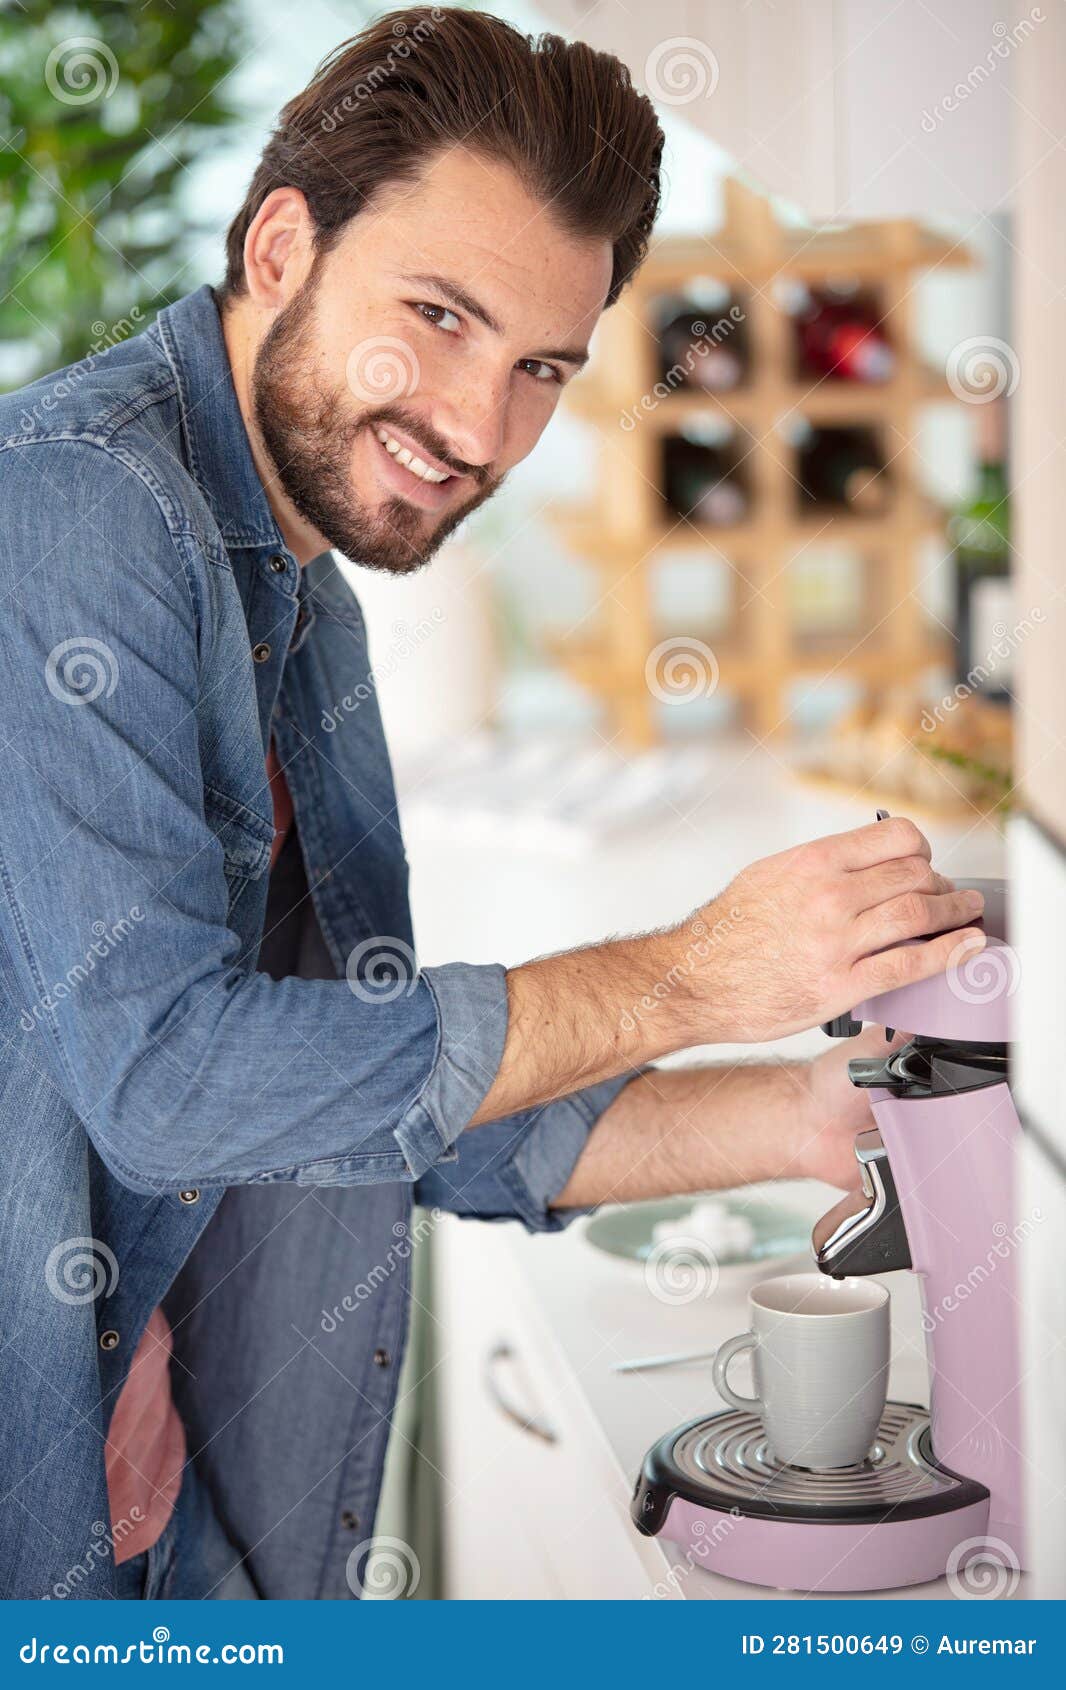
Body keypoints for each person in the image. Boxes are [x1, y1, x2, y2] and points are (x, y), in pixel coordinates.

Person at [0, 7, 985, 1601]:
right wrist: (687, 974)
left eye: (539, 366)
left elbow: (344, 1081)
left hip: (181, 1510)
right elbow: (173, 1077)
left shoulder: (301, 576)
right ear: (277, 247)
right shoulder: (77, 509)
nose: (478, 429)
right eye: (438, 318)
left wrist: (785, 1116)